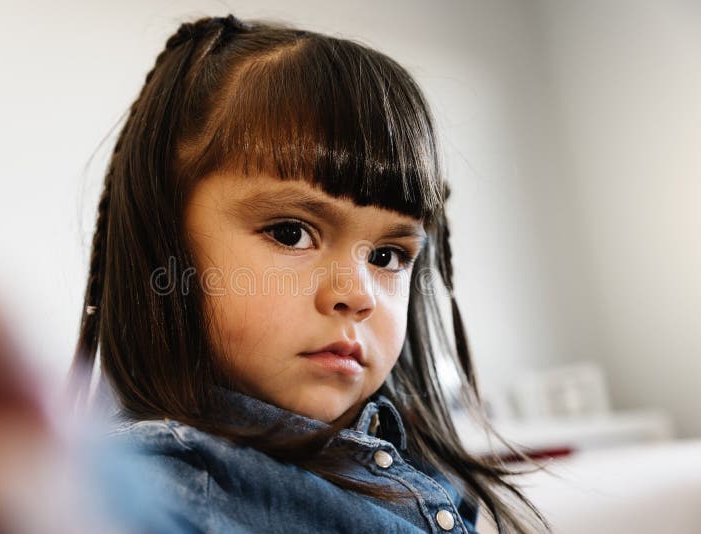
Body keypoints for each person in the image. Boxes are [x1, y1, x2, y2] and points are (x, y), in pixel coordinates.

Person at [68, 14, 550, 534]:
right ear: (163, 242)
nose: (357, 295)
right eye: (291, 232)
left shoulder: (417, 463)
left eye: (387, 256)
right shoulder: (162, 489)